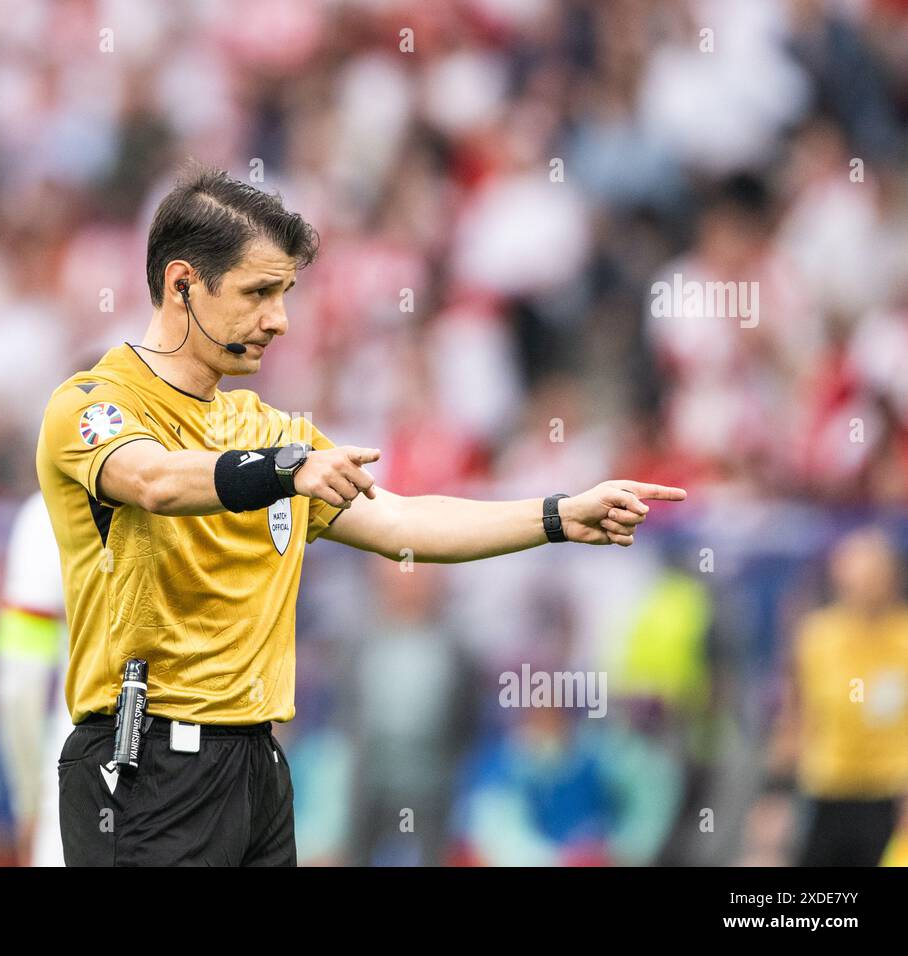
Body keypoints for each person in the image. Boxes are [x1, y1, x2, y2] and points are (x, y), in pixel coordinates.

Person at [35, 163, 687, 866]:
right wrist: (285, 470)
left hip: (255, 764)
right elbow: (155, 481)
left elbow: (403, 525)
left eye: (283, 295)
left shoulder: (269, 432)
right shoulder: (93, 406)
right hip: (147, 766)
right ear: (183, 284)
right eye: (259, 293)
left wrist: (557, 516)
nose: (278, 320)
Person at [776, 528, 908, 866]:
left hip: (891, 795)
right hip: (827, 789)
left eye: (874, 577)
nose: (864, 587)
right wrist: (775, 793)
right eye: (855, 577)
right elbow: (795, 716)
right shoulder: (817, 636)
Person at [0, 492, 71, 866]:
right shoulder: (227, 487)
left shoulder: (49, 512)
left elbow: (18, 685)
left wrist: (28, 801)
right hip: (217, 771)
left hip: (86, 771)